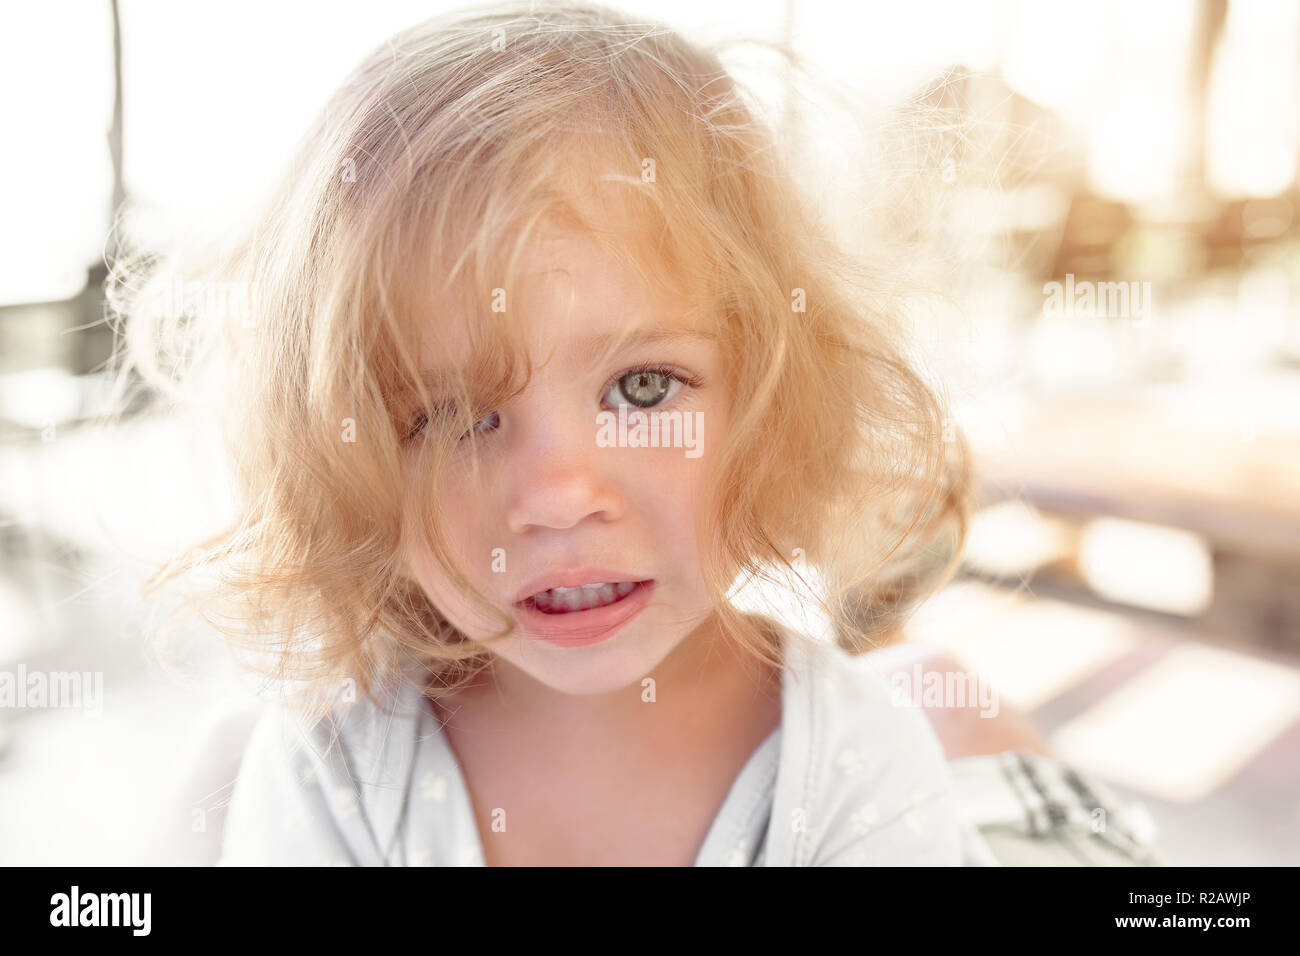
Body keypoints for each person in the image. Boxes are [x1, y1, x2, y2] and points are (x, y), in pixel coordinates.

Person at [114, 1, 1100, 866]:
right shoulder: (331, 768)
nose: (555, 494)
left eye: (642, 387)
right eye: (449, 416)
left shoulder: (860, 762)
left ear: (771, 399)